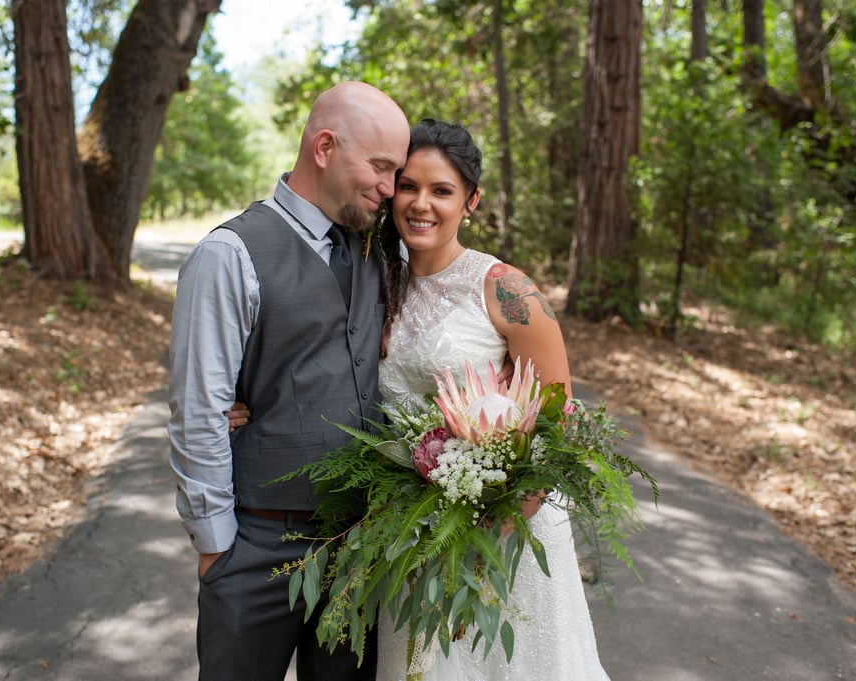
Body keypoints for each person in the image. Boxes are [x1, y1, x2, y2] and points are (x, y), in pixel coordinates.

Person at [167, 81, 410, 681]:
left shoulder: (379, 250)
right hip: (255, 547)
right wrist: (216, 547)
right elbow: (199, 408)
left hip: (357, 548)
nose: (390, 189)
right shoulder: (230, 254)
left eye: (395, 173)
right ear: (324, 146)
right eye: (380, 168)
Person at [373, 119, 611, 681]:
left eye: (441, 190)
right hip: (407, 530)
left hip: (501, 532)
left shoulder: (506, 288)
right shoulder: (376, 281)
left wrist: (485, 542)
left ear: (471, 201)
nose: (420, 204)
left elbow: (558, 427)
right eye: (408, 186)